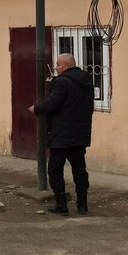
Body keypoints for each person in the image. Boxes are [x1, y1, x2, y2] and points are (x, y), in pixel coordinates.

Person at [29, 53, 94, 216]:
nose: (56, 67)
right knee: (79, 169)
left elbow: (52, 104)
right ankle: (82, 206)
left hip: (62, 134)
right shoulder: (86, 80)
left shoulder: (62, 81)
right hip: (80, 133)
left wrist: (36, 108)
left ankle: (61, 206)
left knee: (55, 169)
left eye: (58, 64)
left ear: (65, 66)